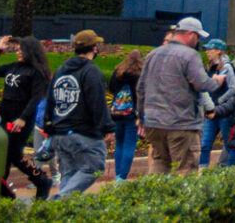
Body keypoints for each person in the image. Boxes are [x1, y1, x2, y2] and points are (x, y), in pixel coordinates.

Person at [139, 17, 225, 176]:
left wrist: (141, 117)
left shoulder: (153, 54)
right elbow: (201, 84)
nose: (198, 40)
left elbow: (141, 88)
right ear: (191, 34)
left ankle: (153, 198)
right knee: (185, 168)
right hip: (181, 123)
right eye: (198, 36)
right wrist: (216, 82)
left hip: (154, 122)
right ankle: (180, 200)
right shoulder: (190, 55)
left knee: (160, 161)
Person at [44, 30, 116, 197]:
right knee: (94, 167)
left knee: (69, 175)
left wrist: (49, 126)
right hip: (83, 133)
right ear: (94, 48)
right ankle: (59, 201)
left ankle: (60, 214)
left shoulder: (61, 70)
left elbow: (50, 99)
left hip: (60, 133)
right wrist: (107, 128)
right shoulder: (91, 71)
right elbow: (97, 103)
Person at [0, 35, 53, 200]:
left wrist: (23, 118)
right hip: (5, 119)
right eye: (16, 50)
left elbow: (36, 97)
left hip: (20, 121)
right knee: (8, 155)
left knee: (11, 154)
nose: (18, 52)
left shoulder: (36, 73)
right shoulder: (14, 67)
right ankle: (4, 190)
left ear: (30, 52)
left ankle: (39, 180)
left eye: (20, 50)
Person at [197, 39, 235, 168]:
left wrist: (219, 101)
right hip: (211, 111)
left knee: (229, 142)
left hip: (225, 112)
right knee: (205, 144)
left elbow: (234, 88)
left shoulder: (227, 67)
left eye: (209, 49)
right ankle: (202, 170)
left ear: (218, 51)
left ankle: (232, 168)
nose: (206, 52)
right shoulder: (210, 67)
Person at [107, 49, 145, 182]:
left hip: (117, 113)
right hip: (132, 115)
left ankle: (118, 174)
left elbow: (111, 88)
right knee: (129, 145)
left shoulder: (118, 72)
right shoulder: (139, 74)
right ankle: (122, 177)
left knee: (119, 144)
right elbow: (141, 94)